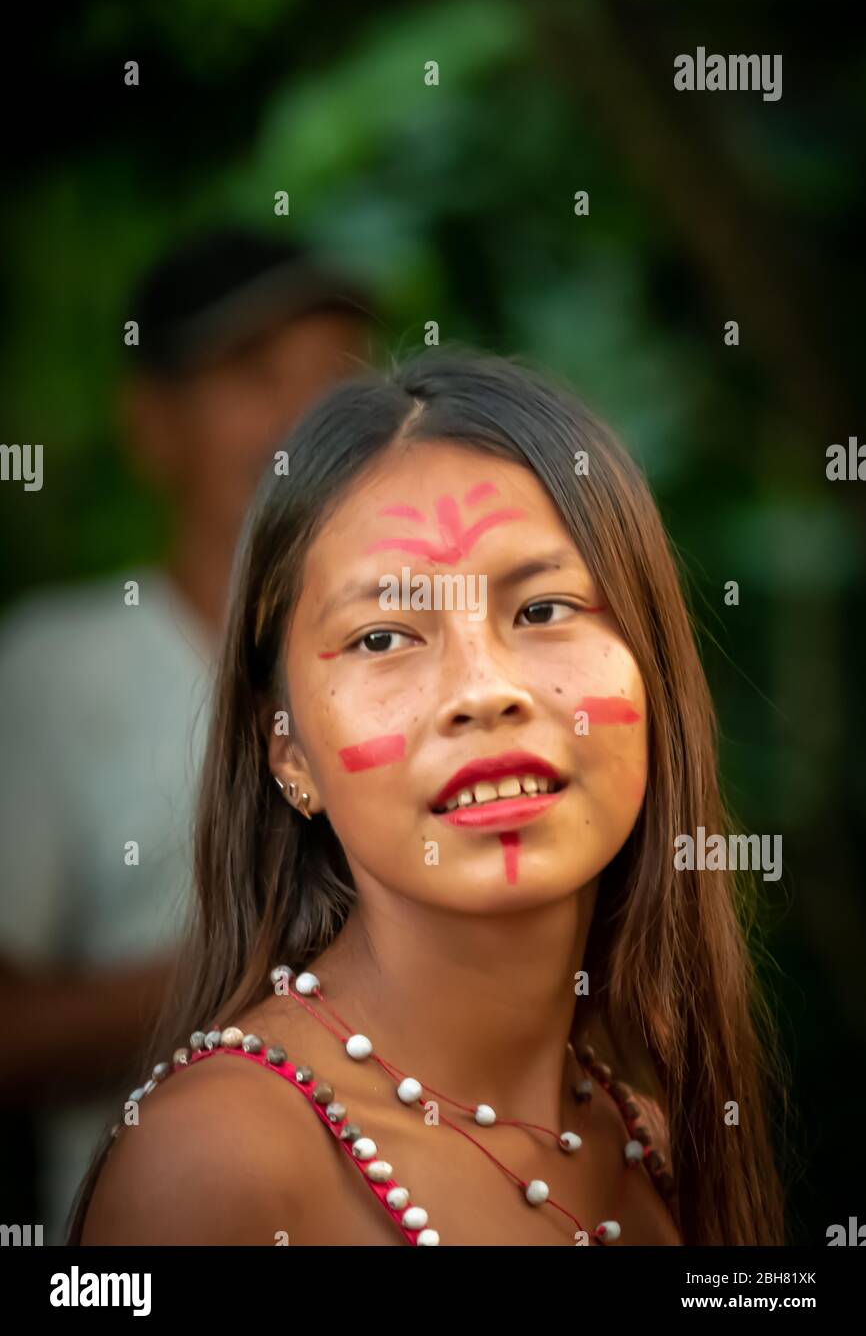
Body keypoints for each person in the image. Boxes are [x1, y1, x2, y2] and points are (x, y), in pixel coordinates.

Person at [70, 350, 787, 1246]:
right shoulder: (220, 1166)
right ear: (286, 751)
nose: (482, 691)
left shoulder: (657, 1143)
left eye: (542, 610)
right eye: (382, 636)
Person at [0, 227, 374, 1244]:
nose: (310, 415)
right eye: (254, 373)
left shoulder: (428, 653)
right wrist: (311, 953)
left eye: (341, 375)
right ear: (153, 427)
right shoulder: (53, 666)